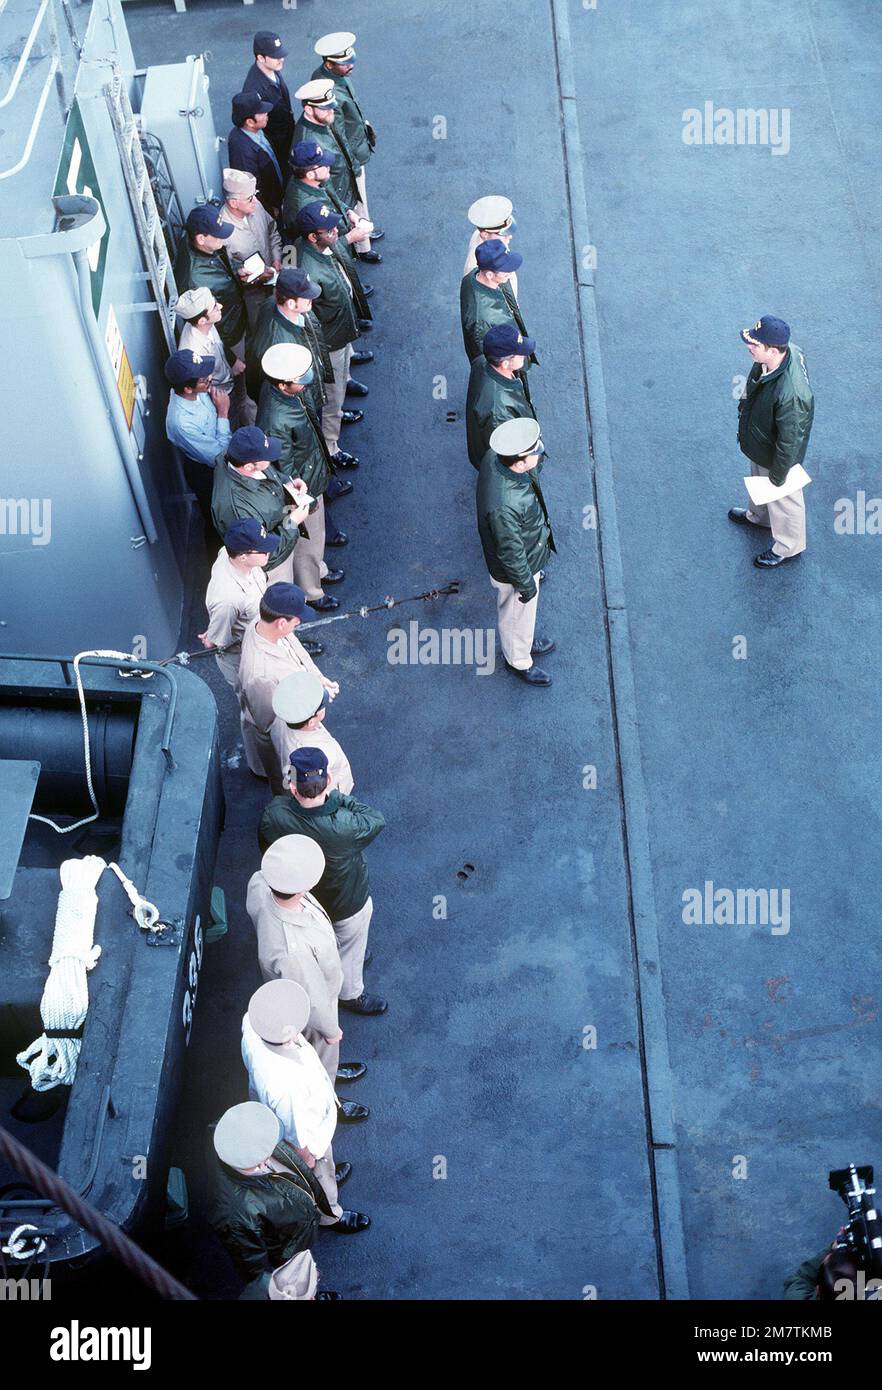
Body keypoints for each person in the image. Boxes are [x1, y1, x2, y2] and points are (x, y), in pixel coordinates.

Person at [259, 747, 386, 1016]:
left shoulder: (274, 813)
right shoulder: (346, 824)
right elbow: (375, 819)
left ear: (292, 787)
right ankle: (350, 993)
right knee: (351, 940)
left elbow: (268, 850)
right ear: (327, 781)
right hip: (346, 899)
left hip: (304, 899)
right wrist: (338, 796)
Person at [242, 980, 370, 1234]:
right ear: (288, 1031)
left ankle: (326, 1179)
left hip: (283, 1117)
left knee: (321, 1170)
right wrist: (310, 1162)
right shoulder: (287, 1087)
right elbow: (299, 1140)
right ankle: (329, 1213)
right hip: (309, 1139)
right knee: (318, 1174)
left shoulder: (253, 1021)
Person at [247, 834, 366, 1100]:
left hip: (304, 991)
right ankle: (329, 1098)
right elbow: (313, 1001)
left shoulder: (260, 884)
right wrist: (331, 1031)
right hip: (314, 1012)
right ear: (301, 888)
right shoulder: (293, 952)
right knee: (320, 1061)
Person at [209, 1100, 340, 1300]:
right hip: (287, 1248)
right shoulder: (234, 1215)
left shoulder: (234, 1134)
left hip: (294, 1229)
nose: (270, 1154)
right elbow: (254, 1269)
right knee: (296, 1276)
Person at [257, 343, 343, 612]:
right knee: (310, 540)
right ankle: (312, 590)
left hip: (311, 474)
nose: (305, 384)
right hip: (303, 485)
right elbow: (284, 466)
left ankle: (318, 570)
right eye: (299, 381)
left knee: (316, 538)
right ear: (283, 385)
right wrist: (303, 499)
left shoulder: (285, 397)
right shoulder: (277, 418)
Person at [728, 316, 814, 568]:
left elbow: (790, 441)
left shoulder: (791, 394)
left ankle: (789, 547)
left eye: (755, 344)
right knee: (758, 475)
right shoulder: (782, 354)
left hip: (778, 452)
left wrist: (780, 473)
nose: (749, 347)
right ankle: (760, 516)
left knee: (784, 495)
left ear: (773, 350)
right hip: (763, 440)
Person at [477, 416, 556, 687]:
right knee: (515, 613)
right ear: (520, 462)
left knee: (521, 616)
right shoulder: (505, 505)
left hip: (525, 557)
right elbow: (511, 552)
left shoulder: (496, 458)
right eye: (535, 451)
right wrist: (526, 585)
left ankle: (524, 640)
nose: (540, 450)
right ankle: (518, 659)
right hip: (516, 570)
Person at [238, 583, 339, 783]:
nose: (299, 622)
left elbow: (294, 647)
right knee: (284, 779)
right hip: (282, 736)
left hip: (296, 696)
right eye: (296, 620)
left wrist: (316, 678)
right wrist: (316, 700)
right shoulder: (260, 676)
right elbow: (269, 722)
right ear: (281, 623)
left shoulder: (264, 622)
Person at [294, 203, 371, 466]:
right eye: (328, 230)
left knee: (339, 384)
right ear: (312, 237)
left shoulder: (319, 248)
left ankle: (337, 415)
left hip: (340, 330)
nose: (336, 231)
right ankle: (331, 446)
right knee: (333, 395)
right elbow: (309, 318)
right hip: (332, 341)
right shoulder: (309, 270)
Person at [210, 426, 310, 585]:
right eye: (267, 457)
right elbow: (264, 555)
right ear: (249, 466)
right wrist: (292, 523)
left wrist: (287, 482)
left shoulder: (236, 457)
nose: (271, 459)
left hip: (283, 530)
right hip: (274, 566)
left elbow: (268, 474)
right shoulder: (238, 511)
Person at [311, 33, 383, 248]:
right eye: (345, 63)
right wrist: (353, 164)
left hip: (355, 149)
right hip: (349, 156)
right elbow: (338, 134)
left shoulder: (336, 77)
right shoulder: (327, 91)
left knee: (359, 198)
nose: (351, 66)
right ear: (329, 64)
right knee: (354, 197)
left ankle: (364, 233)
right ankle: (362, 246)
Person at [199, 518, 281, 689]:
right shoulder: (228, 599)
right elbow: (213, 642)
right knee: (255, 700)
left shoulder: (227, 552)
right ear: (243, 557)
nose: (268, 552)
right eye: (262, 551)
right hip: (244, 655)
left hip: (262, 639)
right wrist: (215, 630)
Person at [281, 140, 381, 274]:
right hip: (326, 266)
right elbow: (317, 249)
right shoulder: (303, 206)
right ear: (310, 174)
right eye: (322, 164)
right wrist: (350, 238)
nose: (328, 165)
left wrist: (349, 212)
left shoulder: (313, 181)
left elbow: (332, 198)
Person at [292, 79, 367, 255]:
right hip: (335, 193)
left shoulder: (324, 118)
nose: (330, 111)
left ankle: (359, 248)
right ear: (309, 109)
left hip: (343, 185)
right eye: (324, 108)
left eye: (330, 106)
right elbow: (321, 184)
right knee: (337, 240)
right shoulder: (307, 140)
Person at [164, 348, 230, 533]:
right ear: (187, 388)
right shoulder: (181, 422)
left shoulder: (199, 392)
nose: (209, 377)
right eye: (203, 379)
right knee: (217, 521)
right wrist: (223, 413)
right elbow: (218, 456)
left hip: (217, 455)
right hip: (206, 472)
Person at [173, 206, 248, 358]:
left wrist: (236, 269)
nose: (223, 238)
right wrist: (231, 358)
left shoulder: (203, 246)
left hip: (237, 318)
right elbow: (202, 325)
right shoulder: (193, 282)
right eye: (218, 235)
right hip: (229, 336)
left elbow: (218, 260)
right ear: (201, 238)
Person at [465, 324, 538, 470]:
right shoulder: (499, 412)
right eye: (520, 353)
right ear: (505, 363)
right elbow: (509, 458)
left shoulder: (481, 362)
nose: (524, 355)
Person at [271, 672, 354, 796]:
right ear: (311, 721)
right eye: (322, 705)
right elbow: (317, 793)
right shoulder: (317, 756)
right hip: (333, 791)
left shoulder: (282, 719)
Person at [221, 168, 282, 333]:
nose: (255, 200)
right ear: (233, 203)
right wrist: (255, 278)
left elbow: (272, 231)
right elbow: (229, 274)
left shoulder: (256, 206)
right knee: (263, 332)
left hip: (275, 283)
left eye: (255, 194)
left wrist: (277, 257)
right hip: (253, 296)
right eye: (249, 198)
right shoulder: (222, 233)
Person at [461, 239, 536, 364]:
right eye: (505, 269)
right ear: (490, 275)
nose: (510, 272)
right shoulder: (481, 319)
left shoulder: (475, 275)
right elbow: (489, 361)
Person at [227, 92, 284, 219]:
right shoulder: (241, 149)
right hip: (269, 208)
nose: (266, 114)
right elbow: (252, 186)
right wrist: (268, 210)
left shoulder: (256, 131)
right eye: (262, 113)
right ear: (250, 122)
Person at [242, 31, 294, 168]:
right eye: (275, 56)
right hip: (277, 145)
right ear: (260, 58)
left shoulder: (272, 68)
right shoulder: (253, 90)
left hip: (286, 134)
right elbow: (255, 126)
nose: (281, 59)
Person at [464, 195, 518, 294]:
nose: (509, 237)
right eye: (503, 234)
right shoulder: (479, 268)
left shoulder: (491, 240)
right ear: (484, 234)